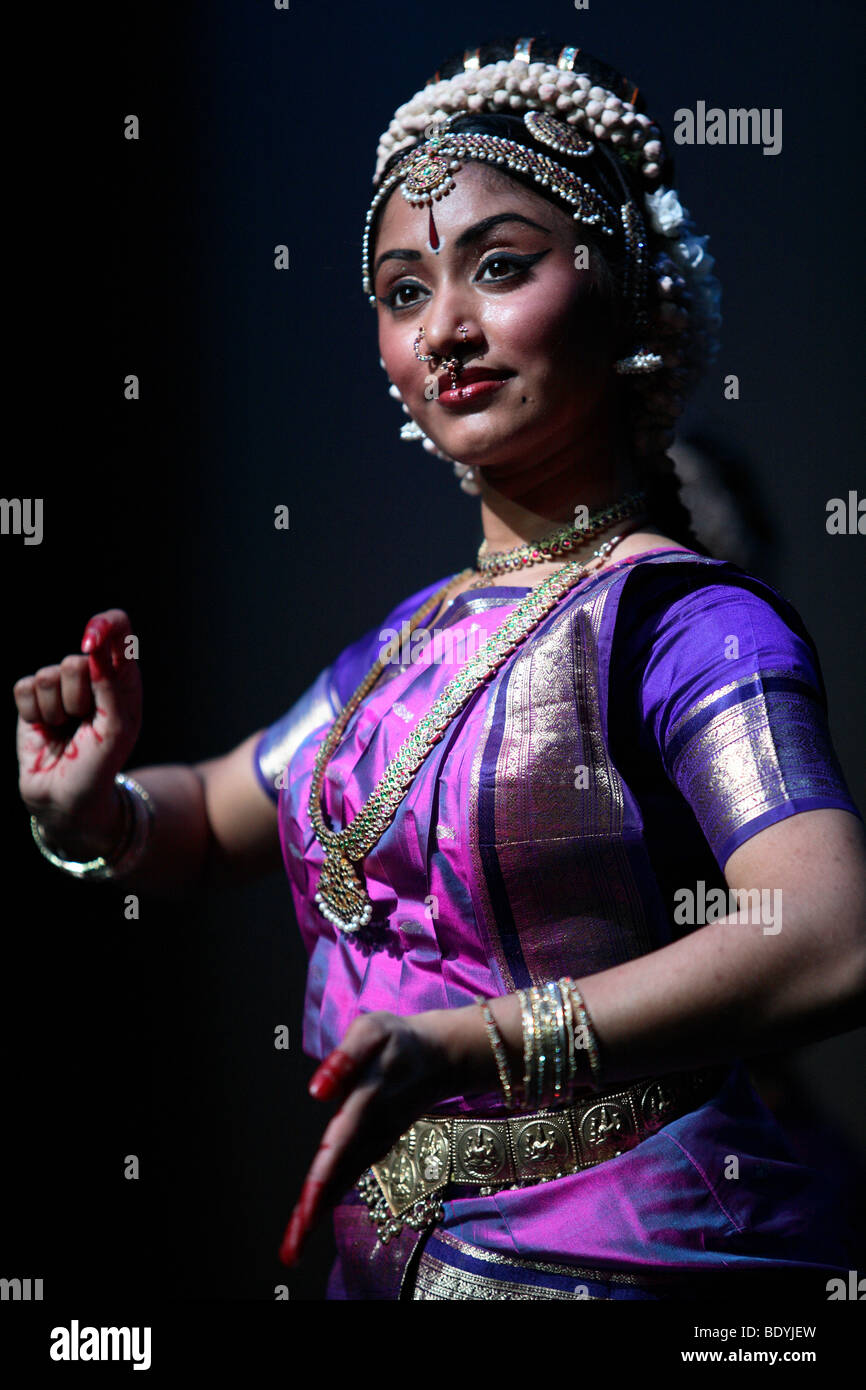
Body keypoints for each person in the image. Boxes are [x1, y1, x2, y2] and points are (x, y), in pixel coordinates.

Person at [15, 35, 865, 1301]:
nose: (447, 328)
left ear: (623, 286)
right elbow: (205, 817)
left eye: (500, 267)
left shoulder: (685, 623)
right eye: (403, 290)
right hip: (391, 1262)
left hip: (629, 1263)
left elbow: (827, 932)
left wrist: (471, 1042)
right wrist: (98, 814)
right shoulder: (400, 644)